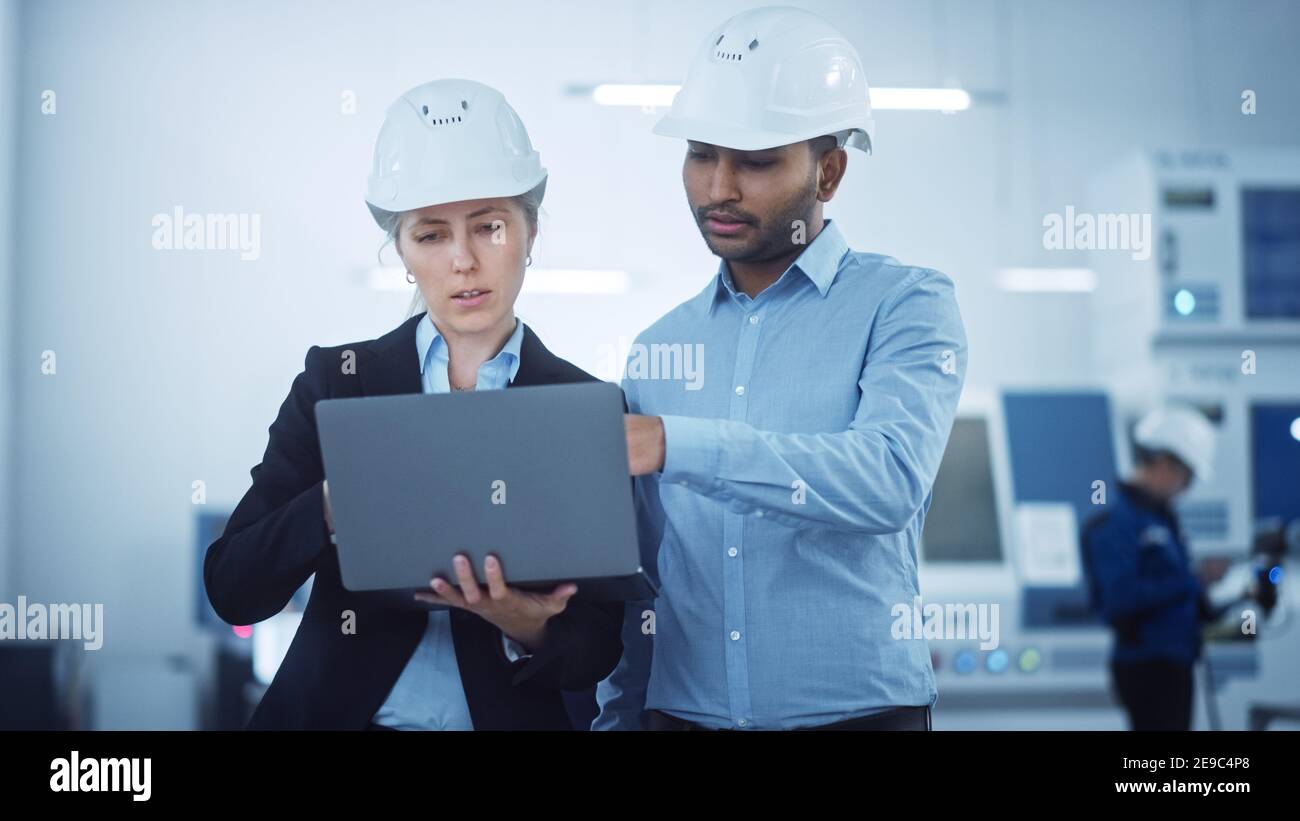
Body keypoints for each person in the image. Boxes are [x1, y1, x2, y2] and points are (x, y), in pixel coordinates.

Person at [204, 79, 622, 730]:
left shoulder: (584, 405)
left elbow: (600, 642)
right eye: (430, 235)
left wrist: (523, 624)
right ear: (401, 251)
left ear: (530, 231)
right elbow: (233, 585)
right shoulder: (335, 382)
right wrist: (331, 507)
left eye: (488, 226)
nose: (463, 260)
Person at [596, 7, 967, 731]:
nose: (718, 187)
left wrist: (678, 443)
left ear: (828, 170)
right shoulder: (656, 347)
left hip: (859, 717)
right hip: (682, 717)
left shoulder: (906, 305)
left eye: (756, 160)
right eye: (702, 154)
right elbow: (642, 578)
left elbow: (886, 479)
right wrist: (618, 717)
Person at [1081, 405, 1224, 731]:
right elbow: (1120, 599)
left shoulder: (1162, 519)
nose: (1184, 490)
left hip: (1176, 660)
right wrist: (1192, 580)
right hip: (1147, 666)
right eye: (1185, 479)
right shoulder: (1115, 524)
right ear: (1163, 464)